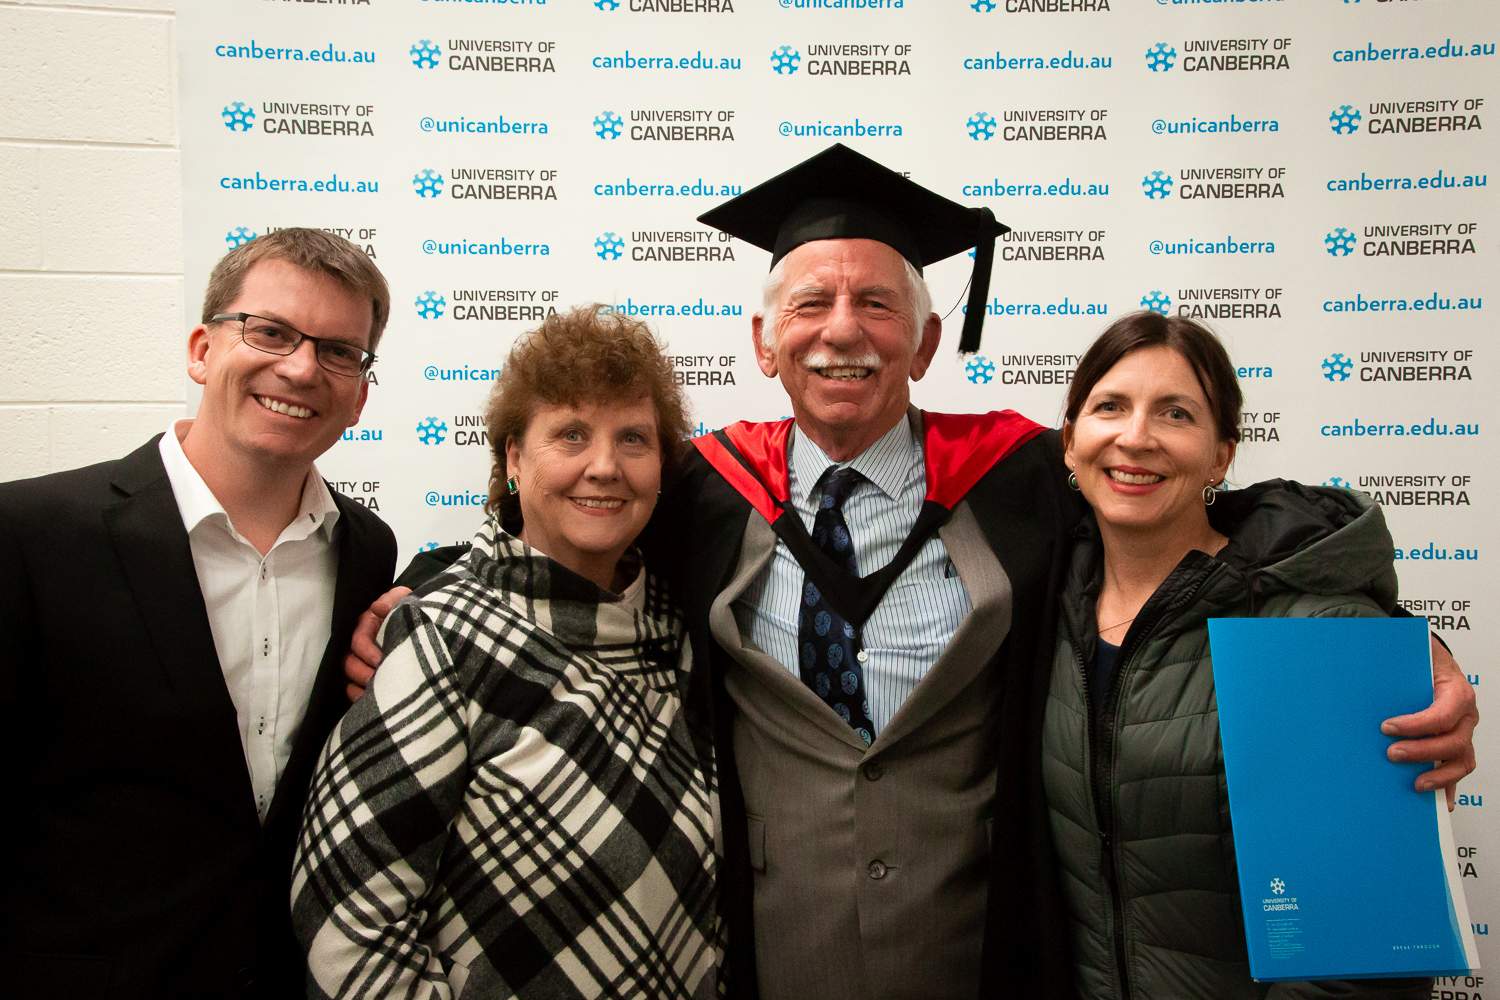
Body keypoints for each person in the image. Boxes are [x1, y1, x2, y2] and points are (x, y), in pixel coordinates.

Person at [347, 145, 1477, 999]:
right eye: (811, 304)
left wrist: (1387, 646)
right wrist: (431, 586)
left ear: (926, 343)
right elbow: (565, 523)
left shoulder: (1028, 480)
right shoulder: (699, 489)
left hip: (990, 960)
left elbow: (1216, 536)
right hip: (757, 961)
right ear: (764, 341)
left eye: (878, 302)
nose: (845, 330)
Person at [0, 227, 397, 998]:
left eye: (339, 351)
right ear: (202, 349)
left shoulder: (367, 550)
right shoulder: (29, 536)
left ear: (360, 393)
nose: (302, 367)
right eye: (271, 332)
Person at [292, 308, 720, 998]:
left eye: (633, 438)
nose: (605, 466)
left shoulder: (685, 633)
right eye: (571, 434)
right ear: (515, 458)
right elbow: (351, 922)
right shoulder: (443, 636)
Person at [1044, 312, 1431, 998]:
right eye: (1111, 407)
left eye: (1176, 414)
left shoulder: (1312, 634)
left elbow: (1362, 958)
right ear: (1071, 441)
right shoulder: (1042, 608)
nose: (1136, 437)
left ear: (1221, 455)